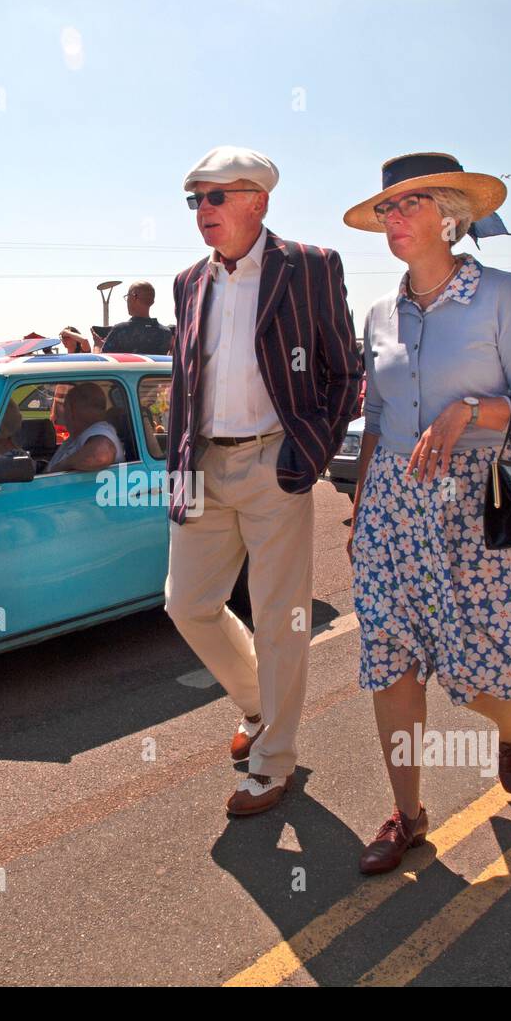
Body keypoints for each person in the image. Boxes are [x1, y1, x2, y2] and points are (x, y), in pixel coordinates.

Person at [343, 151, 511, 874]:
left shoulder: (500, 295)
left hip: (471, 500)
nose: (394, 218)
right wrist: (362, 506)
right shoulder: (379, 313)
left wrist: (473, 411)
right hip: (393, 503)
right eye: (386, 208)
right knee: (390, 660)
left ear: (452, 216)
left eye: (410, 204)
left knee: (475, 666)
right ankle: (409, 816)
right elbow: (374, 409)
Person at [165, 145, 360, 816]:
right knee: (186, 604)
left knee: (280, 619)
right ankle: (255, 705)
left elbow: (343, 371)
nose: (204, 212)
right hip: (206, 465)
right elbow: (183, 386)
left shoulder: (310, 267)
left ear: (259, 200)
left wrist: (312, 449)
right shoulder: (188, 283)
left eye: (216, 197)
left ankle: (274, 761)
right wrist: (178, 471)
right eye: (196, 200)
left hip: (277, 461)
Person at [45, 382, 123, 472]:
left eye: (65, 407)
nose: (64, 413)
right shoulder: (78, 435)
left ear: (75, 410)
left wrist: (60, 467)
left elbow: (101, 455)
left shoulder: (100, 431)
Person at [101, 282, 174, 354]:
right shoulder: (166, 333)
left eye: (127, 296)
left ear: (134, 297)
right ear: (152, 301)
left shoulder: (120, 330)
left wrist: (97, 346)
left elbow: (101, 362)